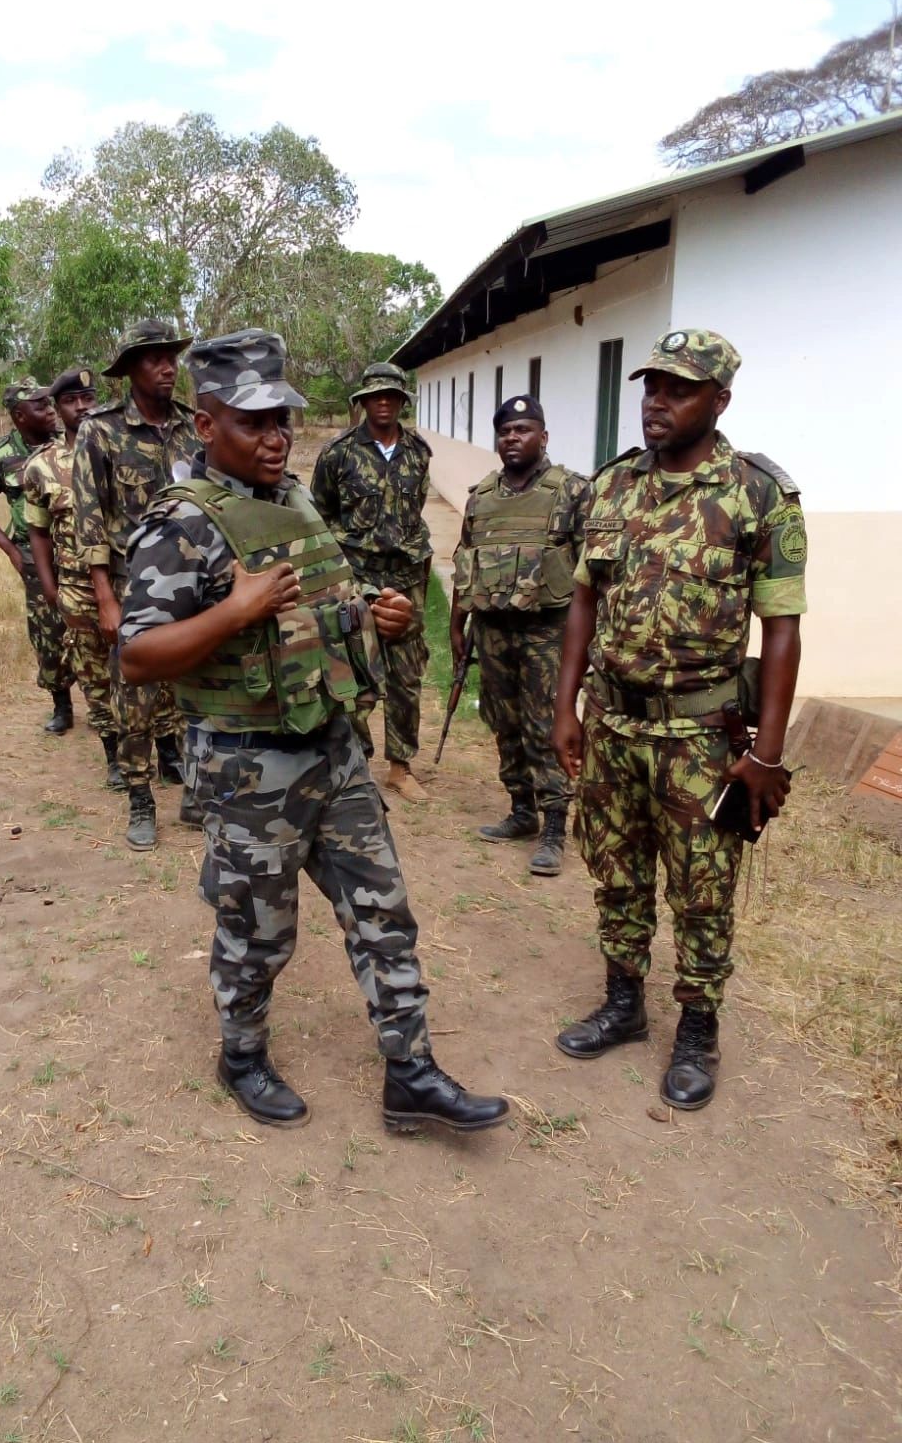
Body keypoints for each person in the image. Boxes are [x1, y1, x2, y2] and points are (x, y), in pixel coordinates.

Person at [119, 328, 508, 1134]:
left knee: (383, 912)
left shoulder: (293, 499)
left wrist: (380, 615)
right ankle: (243, 1053)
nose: (275, 437)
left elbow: (321, 605)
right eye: (254, 423)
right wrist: (232, 611)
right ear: (206, 425)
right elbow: (136, 655)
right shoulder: (180, 525)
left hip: (332, 748)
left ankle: (411, 1073)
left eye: (283, 420)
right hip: (247, 765)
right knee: (258, 932)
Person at [552, 329, 805, 1111]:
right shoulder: (610, 487)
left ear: (719, 401)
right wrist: (565, 705)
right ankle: (624, 1001)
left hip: (701, 734)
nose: (657, 402)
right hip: (616, 727)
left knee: (703, 889)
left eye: (679, 389)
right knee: (616, 873)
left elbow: (783, 629)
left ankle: (698, 1027)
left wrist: (765, 753)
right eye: (651, 386)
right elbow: (583, 600)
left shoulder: (758, 496)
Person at [72, 320, 202, 850]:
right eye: (154, 359)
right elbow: (89, 518)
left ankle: (196, 784)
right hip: (134, 587)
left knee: (197, 688)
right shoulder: (100, 431)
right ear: (129, 370)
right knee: (134, 696)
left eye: (172, 356)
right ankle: (140, 798)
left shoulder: (195, 427)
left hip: (195, 581)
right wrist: (104, 596)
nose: (168, 366)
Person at [450, 396, 590, 876]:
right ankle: (522, 811)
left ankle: (554, 824)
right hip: (493, 628)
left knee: (546, 725)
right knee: (504, 721)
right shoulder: (482, 495)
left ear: (543, 436)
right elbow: (465, 559)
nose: (513, 438)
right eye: (506, 431)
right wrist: (457, 625)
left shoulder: (571, 491)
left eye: (523, 429)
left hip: (548, 632)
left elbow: (593, 574)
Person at [311, 362, 433, 803]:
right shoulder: (337, 453)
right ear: (362, 402)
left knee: (406, 673)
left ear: (402, 401)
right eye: (375, 396)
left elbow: (415, 511)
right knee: (355, 672)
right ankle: (355, 762)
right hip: (356, 577)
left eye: (391, 395)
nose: (383, 402)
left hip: (405, 577)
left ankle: (401, 767)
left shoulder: (418, 452)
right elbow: (320, 518)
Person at [23, 367, 123, 789]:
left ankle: (169, 752)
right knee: (95, 674)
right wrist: (49, 586)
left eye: (88, 397)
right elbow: (38, 532)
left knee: (152, 672)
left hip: (129, 581)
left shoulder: (122, 450)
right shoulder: (41, 467)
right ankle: (115, 756)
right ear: (57, 408)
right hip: (77, 588)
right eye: (71, 400)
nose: (82, 407)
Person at [0, 378, 75, 733]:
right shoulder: (0, 457)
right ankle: (62, 705)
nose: (49, 410)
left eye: (49, 403)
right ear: (19, 415)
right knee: (48, 631)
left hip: (77, 551)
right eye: (40, 406)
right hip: (34, 556)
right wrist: (12, 550)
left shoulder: (70, 443)